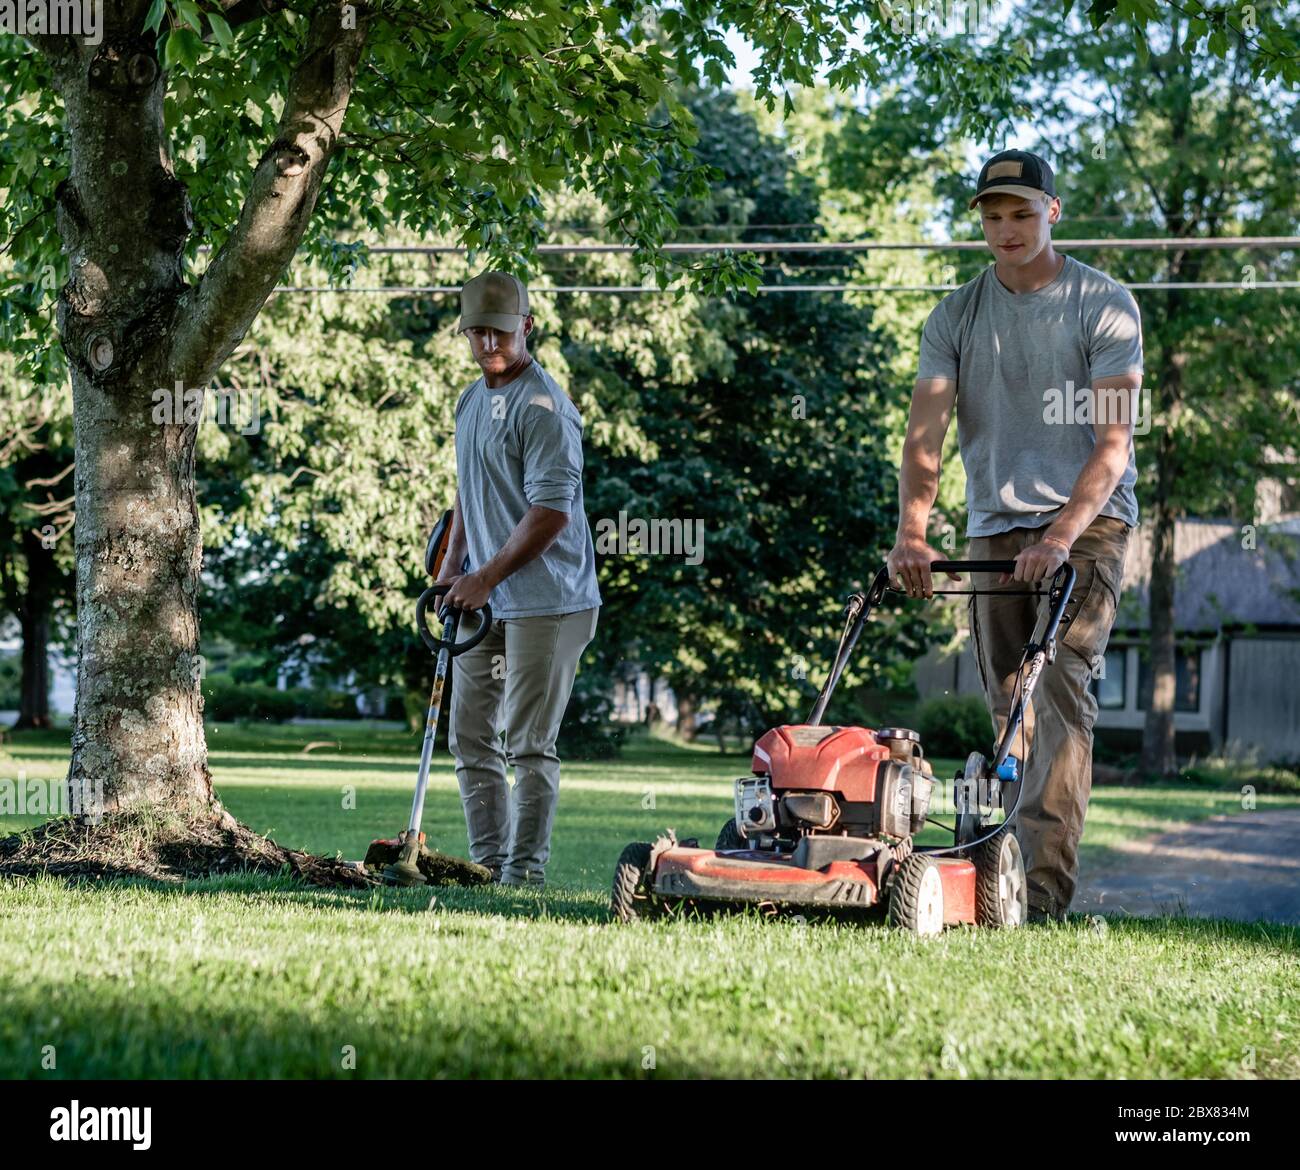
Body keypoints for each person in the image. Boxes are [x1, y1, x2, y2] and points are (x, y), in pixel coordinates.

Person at [887, 150, 1142, 923]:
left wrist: (1062, 536)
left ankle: (1041, 896)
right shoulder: (956, 315)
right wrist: (912, 533)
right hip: (997, 526)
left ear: (1051, 213)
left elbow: (1112, 444)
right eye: (993, 216)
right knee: (1009, 707)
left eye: (1021, 214)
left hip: (1088, 527)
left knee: (1058, 694)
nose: (1006, 230)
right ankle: (995, 880)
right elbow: (923, 437)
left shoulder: (1104, 304)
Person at [438, 270, 602, 886]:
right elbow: (467, 492)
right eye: (475, 332)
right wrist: (454, 567)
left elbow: (551, 514)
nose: (487, 343)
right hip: (484, 599)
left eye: (499, 331)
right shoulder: (470, 401)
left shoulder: (545, 409)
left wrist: (484, 577)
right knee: (470, 738)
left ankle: (524, 875)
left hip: (549, 603)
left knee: (529, 744)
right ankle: (488, 866)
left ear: (526, 326)